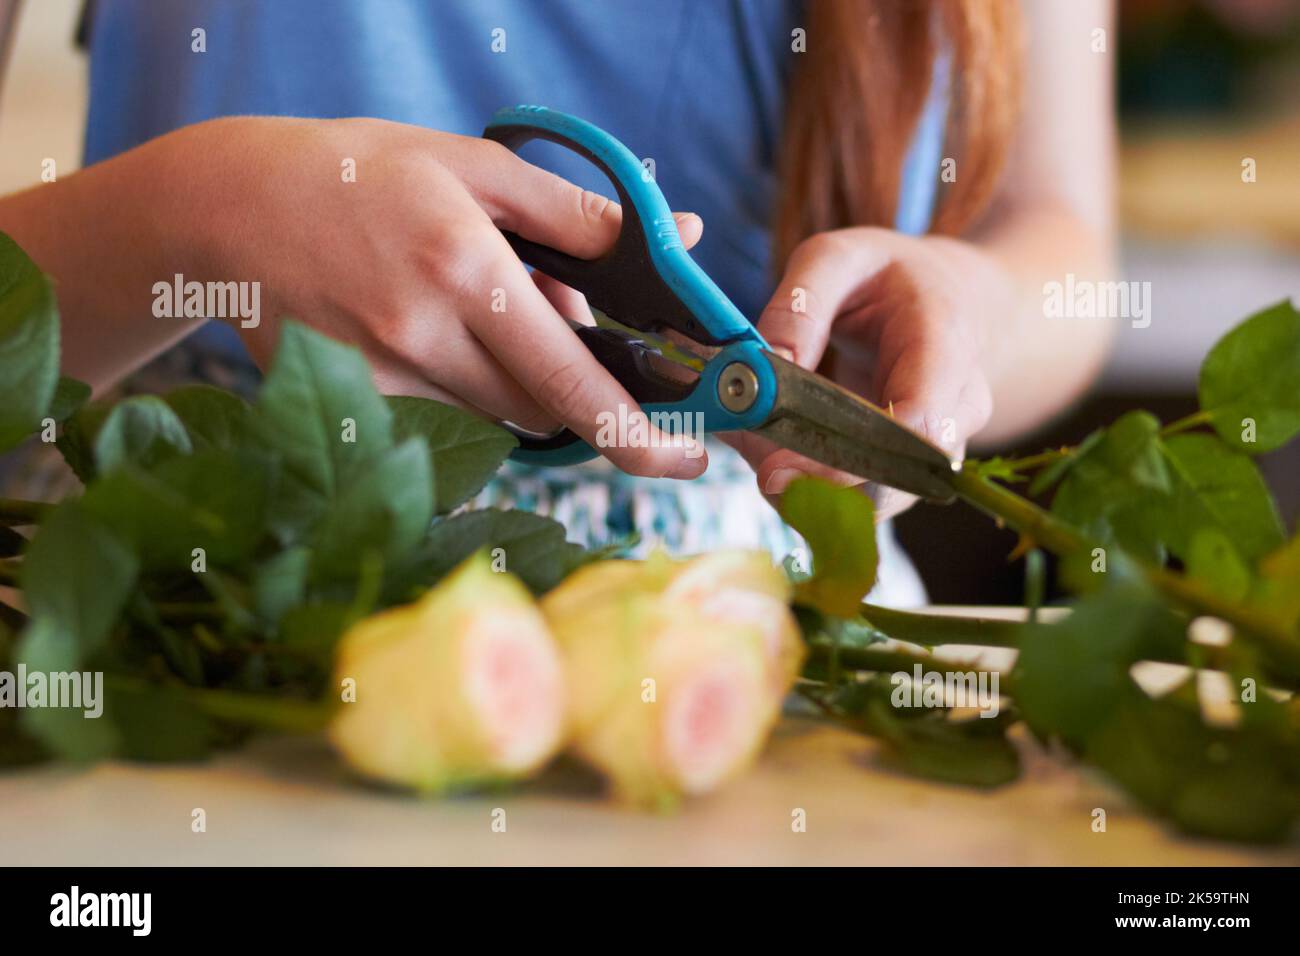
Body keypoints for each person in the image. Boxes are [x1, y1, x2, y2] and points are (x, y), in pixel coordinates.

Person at [0, 0, 1115, 606]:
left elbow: (1060, 242)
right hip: (174, 587)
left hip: (750, 650)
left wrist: (973, 307)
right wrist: (187, 221)